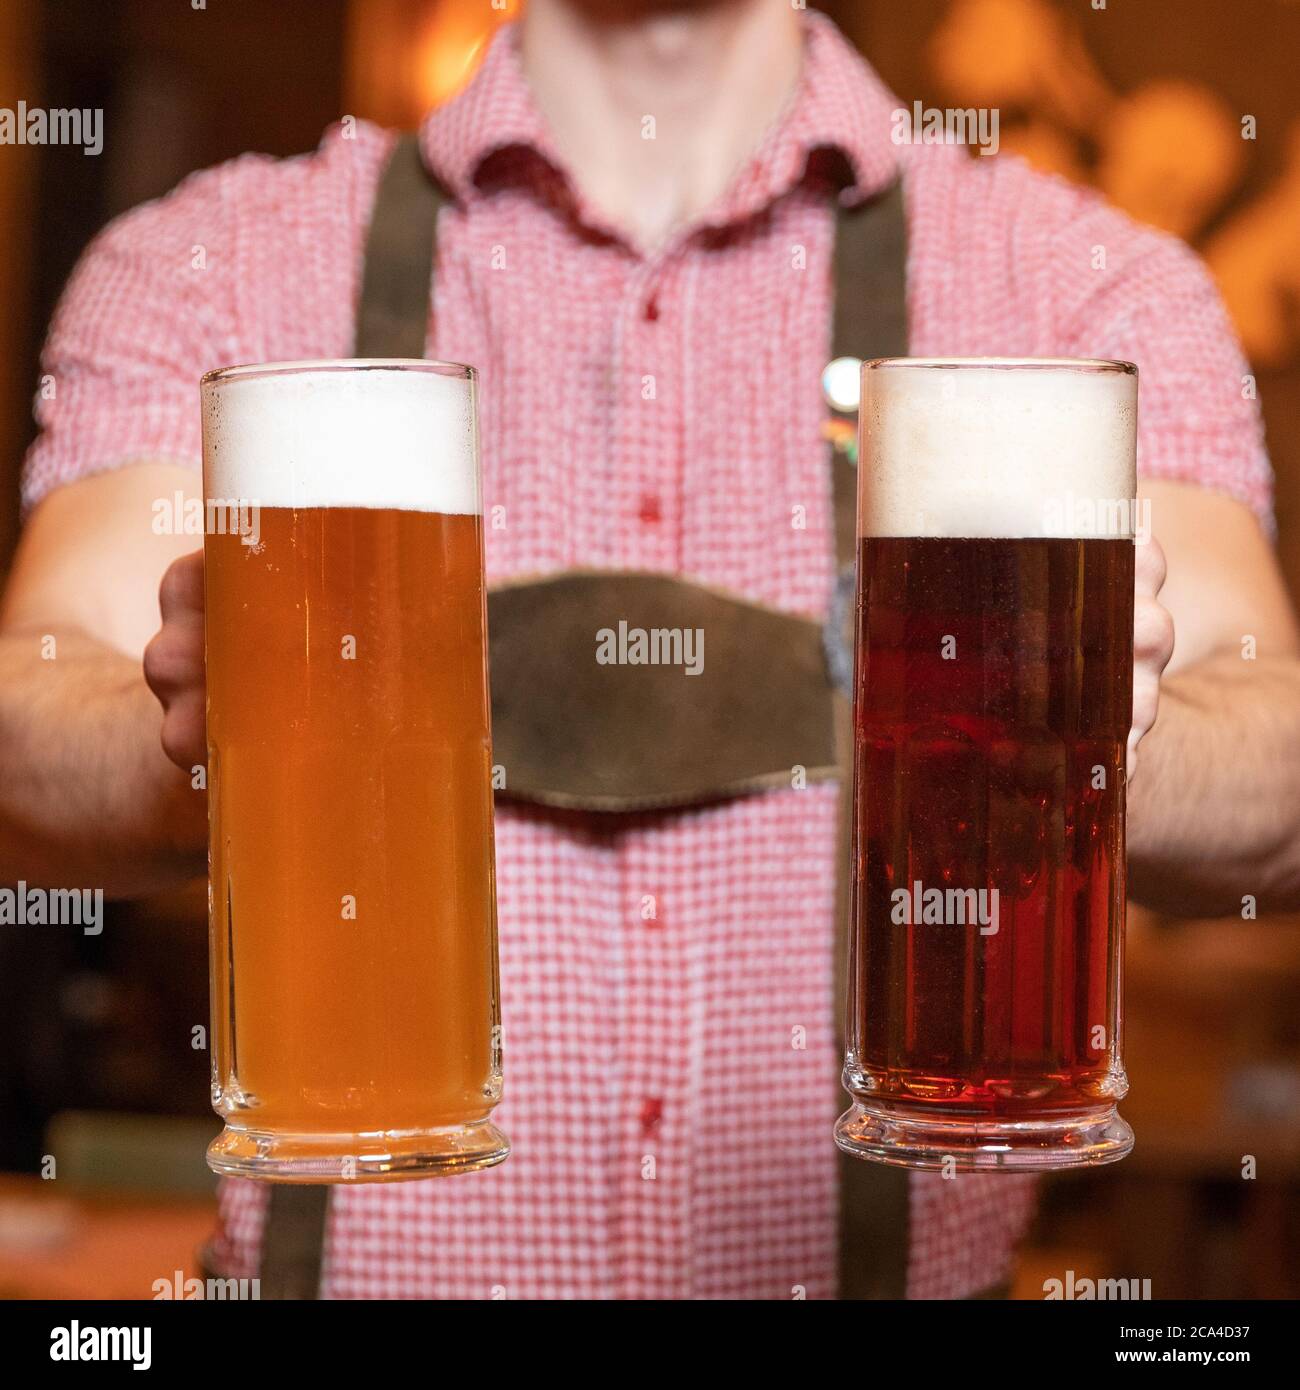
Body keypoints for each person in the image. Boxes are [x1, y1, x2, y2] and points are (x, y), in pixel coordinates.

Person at [2, 1, 1298, 1299]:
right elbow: (31, 732)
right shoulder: (212, 258)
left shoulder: (1084, 280)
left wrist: (1093, 726)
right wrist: (229, 727)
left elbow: (1277, 762)